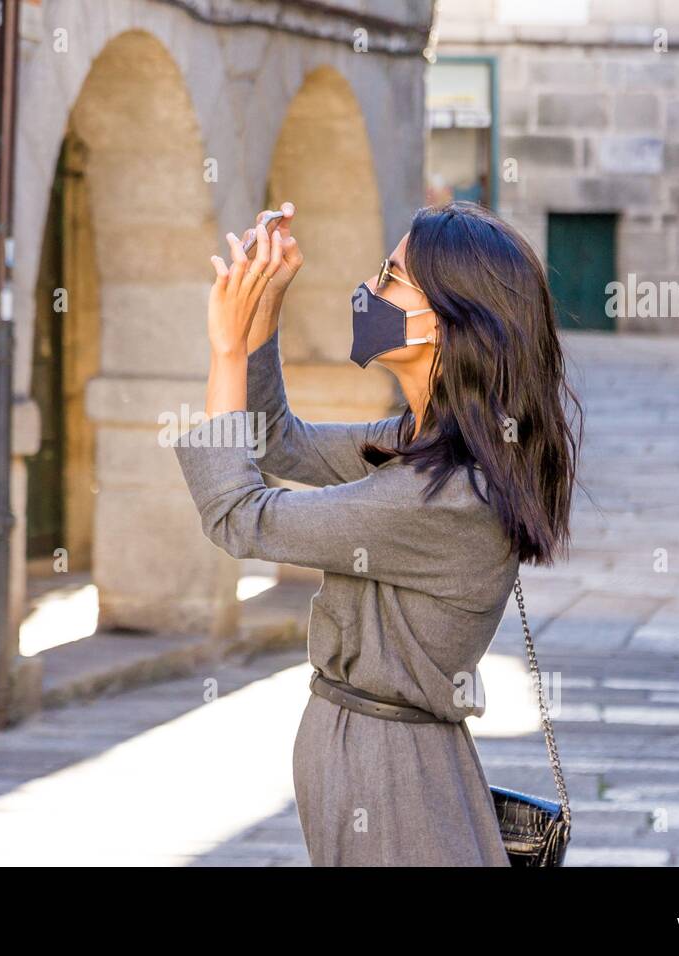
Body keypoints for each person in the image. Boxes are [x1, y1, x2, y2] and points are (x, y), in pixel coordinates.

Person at [173, 200, 581, 866]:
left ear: (446, 323)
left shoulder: (440, 495)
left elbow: (237, 515)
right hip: (372, 753)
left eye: (391, 279)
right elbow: (280, 441)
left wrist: (225, 347)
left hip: (394, 772)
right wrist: (262, 318)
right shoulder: (423, 448)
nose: (368, 293)